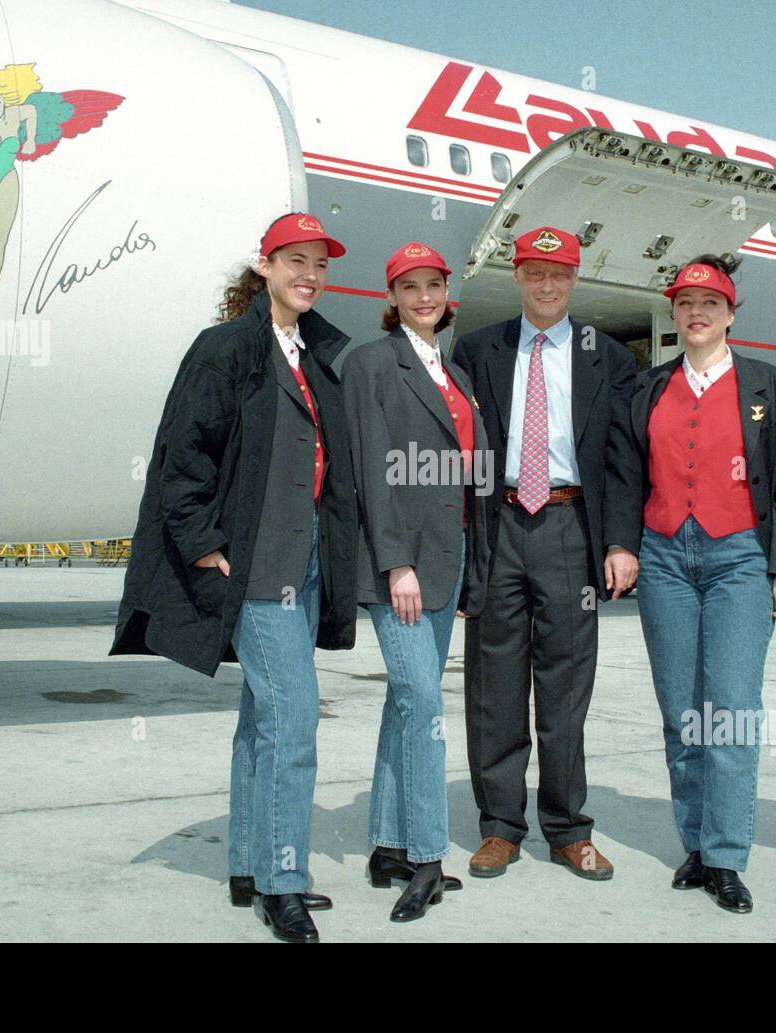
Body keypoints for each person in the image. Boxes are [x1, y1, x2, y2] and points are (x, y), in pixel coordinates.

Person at [110, 212, 359, 942]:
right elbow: (183, 453)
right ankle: (284, 880)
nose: (309, 275)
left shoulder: (315, 356)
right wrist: (202, 544)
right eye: (296, 261)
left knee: (262, 719)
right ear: (266, 266)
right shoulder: (226, 350)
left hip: (303, 564)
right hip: (253, 568)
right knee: (295, 719)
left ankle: (250, 863)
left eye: (319, 263)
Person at [450, 226, 642, 882]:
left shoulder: (607, 357)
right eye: (535, 272)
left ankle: (566, 828)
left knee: (564, 687)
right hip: (498, 525)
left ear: (575, 279)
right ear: (518, 276)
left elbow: (622, 462)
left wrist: (619, 542)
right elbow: (459, 453)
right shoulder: (478, 349)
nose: (547, 284)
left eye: (559, 274)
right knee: (494, 682)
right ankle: (500, 826)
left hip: (568, 523)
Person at [632, 254, 776, 914]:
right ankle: (697, 845)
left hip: (740, 556)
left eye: (710, 302)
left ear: (732, 314)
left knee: (731, 709)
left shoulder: (773, 388)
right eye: (685, 302)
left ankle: (729, 854)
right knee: (684, 713)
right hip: (663, 558)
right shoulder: (648, 389)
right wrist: (623, 548)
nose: (697, 311)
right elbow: (627, 476)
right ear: (674, 314)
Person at [342, 242, 489, 921]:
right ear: (393, 295)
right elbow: (374, 468)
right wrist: (395, 560)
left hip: (446, 555)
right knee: (424, 704)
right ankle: (428, 856)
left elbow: (469, 479)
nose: (424, 296)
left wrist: (467, 567)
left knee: (405, 702)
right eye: (410, 286)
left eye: (433, 284)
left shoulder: (453, 374)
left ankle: (387, 841)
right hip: (398, 562)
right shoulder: (372, 364)